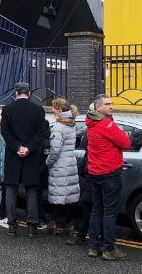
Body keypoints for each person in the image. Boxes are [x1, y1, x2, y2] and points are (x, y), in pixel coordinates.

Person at [85, 94, 130, 261]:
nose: (111, 106)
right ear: (98, 107)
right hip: (109, 172)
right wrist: (121, 132)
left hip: (95, 172)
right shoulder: (107, 124)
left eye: (112, 103)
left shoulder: (91, 123)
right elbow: (126, 143)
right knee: (110, 211)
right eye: (107, 104)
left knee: (97, 209)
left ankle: (93, 246)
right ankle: (108, 248)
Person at [0, 82, 48, 237]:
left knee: (11, 189)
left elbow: (5, 133)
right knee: (32, 191)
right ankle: (32, 227)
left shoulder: (7, 110)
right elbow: (41, 133)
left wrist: (17, 147)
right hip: (31, 156)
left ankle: (12, 226)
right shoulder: (38, 110)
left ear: (16, 94)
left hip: (13, 156)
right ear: (29, 93)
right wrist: (28, 148)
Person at [46, 98, 80, 234]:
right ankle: (69, 224)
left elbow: (55, 150)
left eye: (54, 108)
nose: (53, 110)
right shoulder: (71, 123)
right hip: (70, 163)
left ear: (59, 109)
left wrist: (47, 162)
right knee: (68, 197)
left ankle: (52, 223)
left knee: (56, 196)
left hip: (59, 165)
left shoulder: (58, 127)